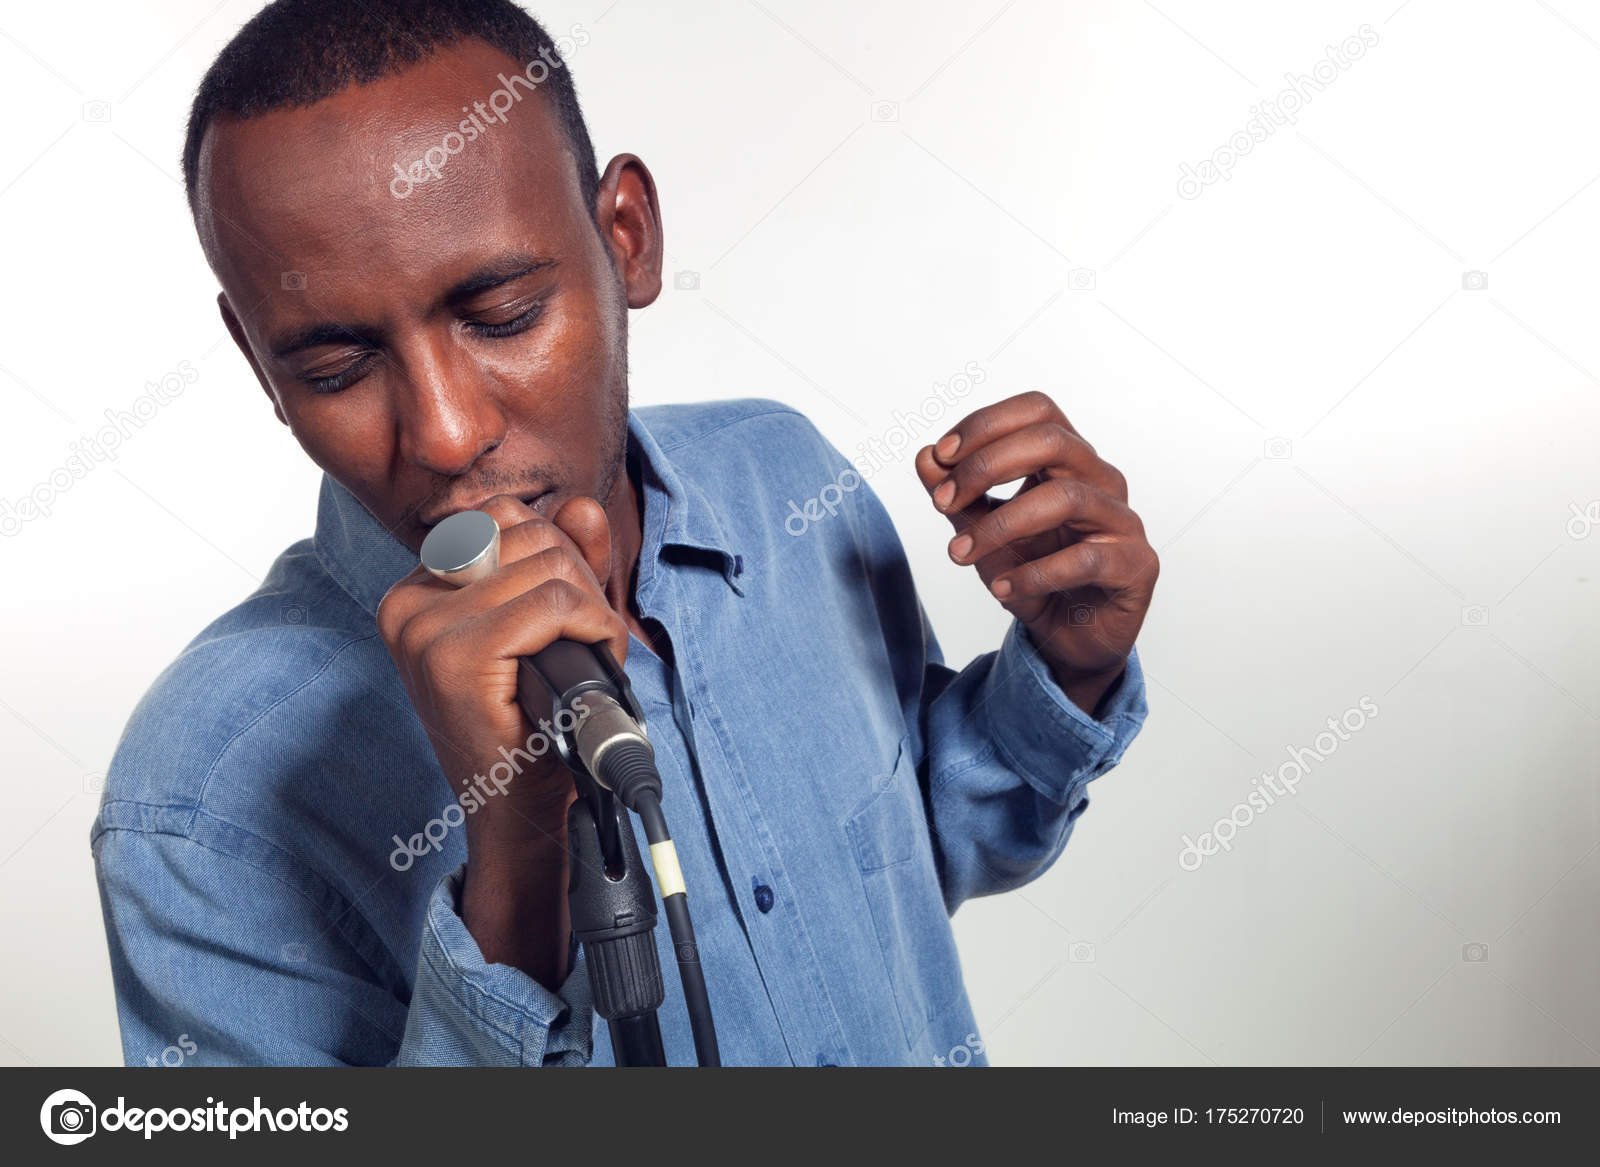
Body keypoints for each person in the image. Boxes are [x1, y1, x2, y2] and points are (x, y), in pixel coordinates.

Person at [92, 0, 1158, 1066]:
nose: (447, 434)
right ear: (258, 362)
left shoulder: (784, 483)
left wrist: (1066, 671)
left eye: (502, 314)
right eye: (336, 368)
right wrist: (516, 858)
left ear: (627, 239)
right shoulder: (200, 796)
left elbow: (909, 869)